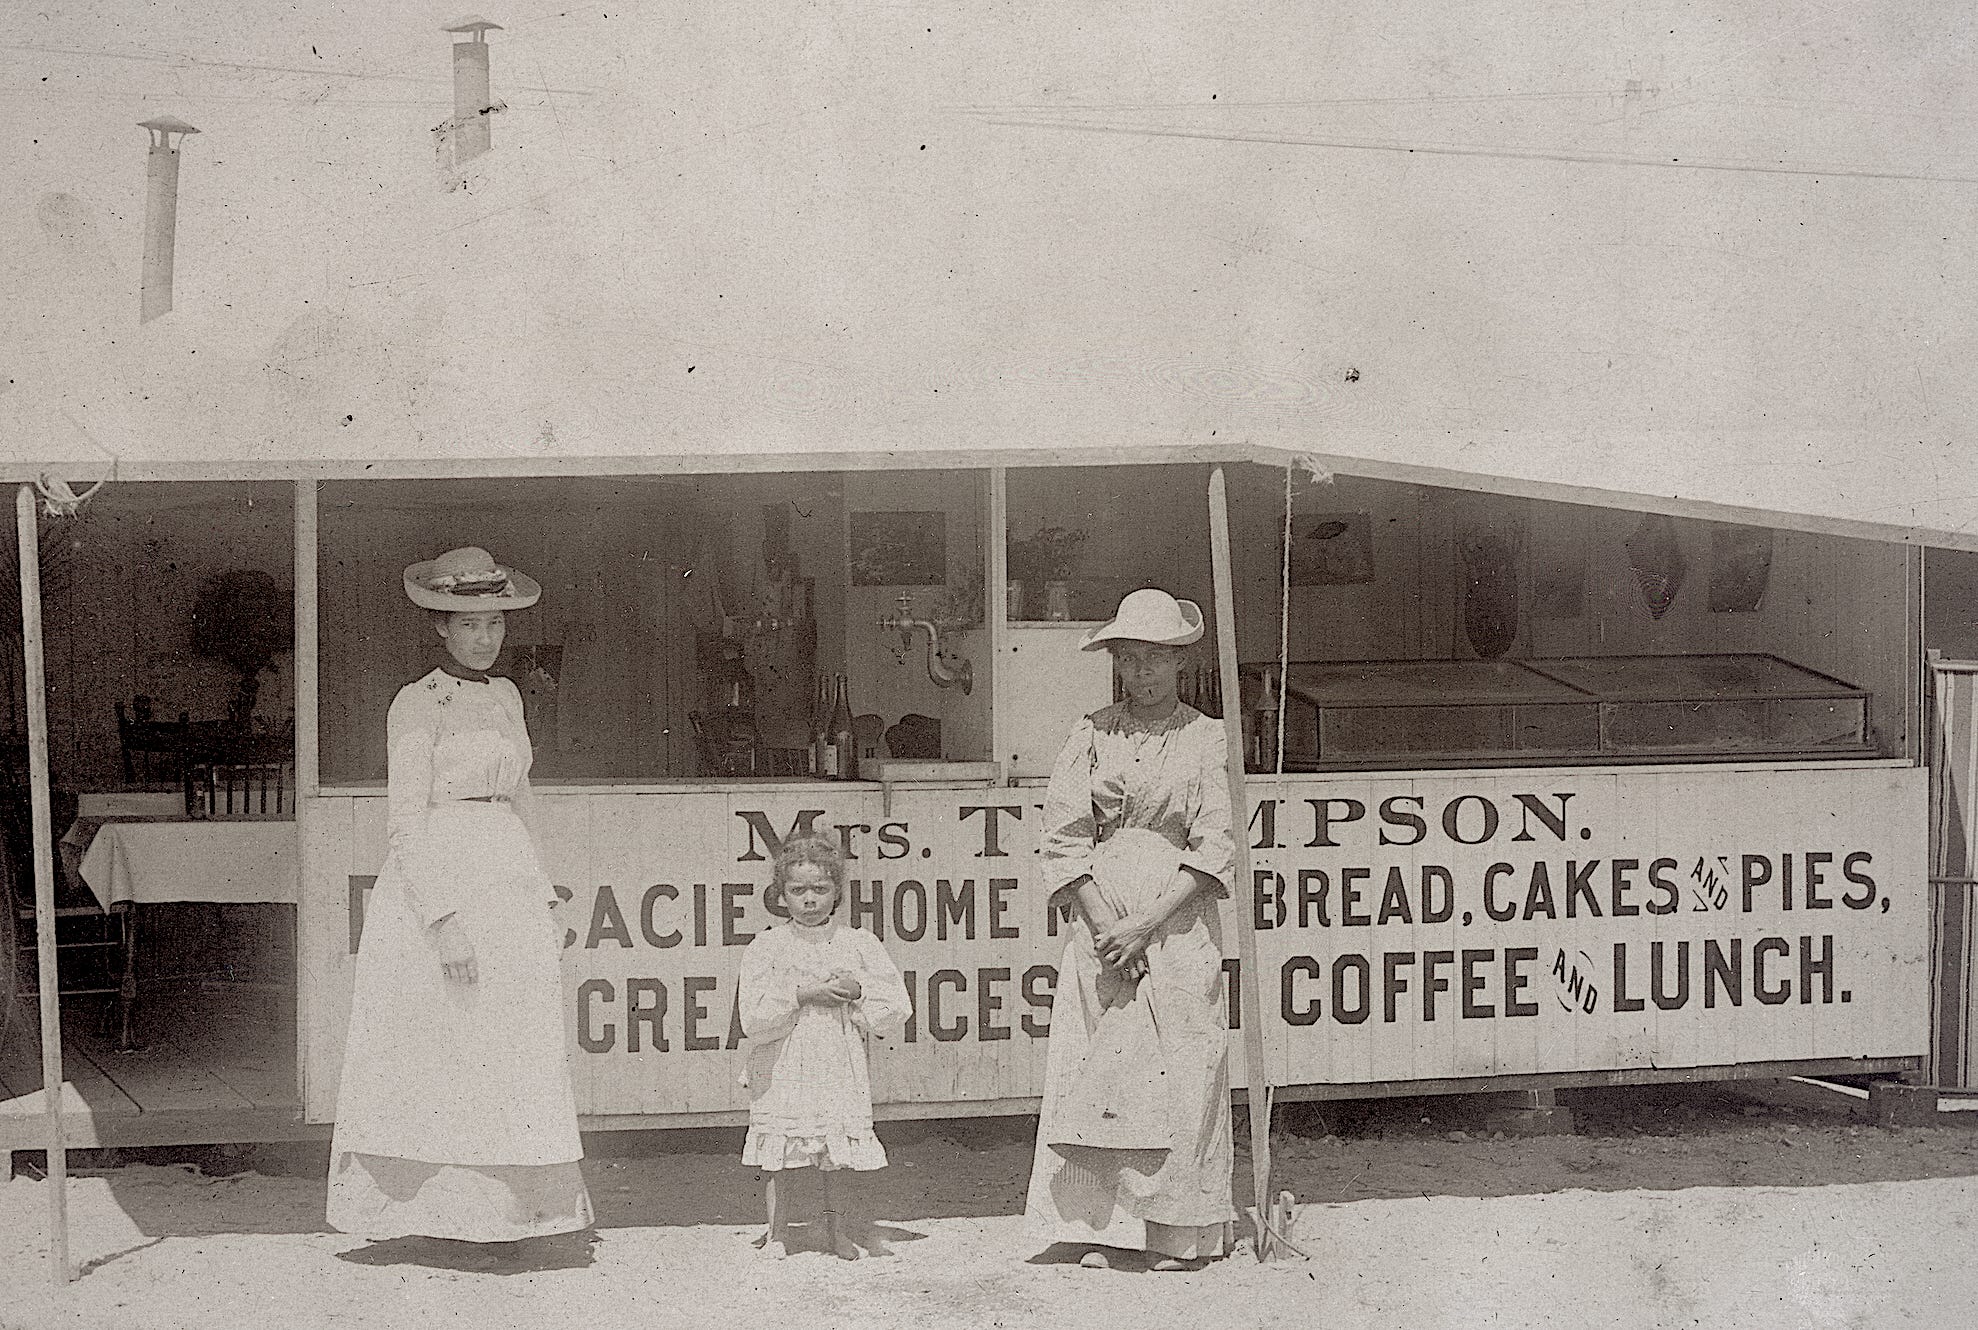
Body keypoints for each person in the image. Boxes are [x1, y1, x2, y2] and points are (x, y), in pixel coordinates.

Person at [327, 547, 593, 1264]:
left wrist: (545, 895)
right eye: (470, 625)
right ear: (441, 628)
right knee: (445, 1050)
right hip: (443, 877)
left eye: (496, 623)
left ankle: (510, 1216)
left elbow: (523, 801)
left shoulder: (507, 697)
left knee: (508, 1048)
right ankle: (442, 1219)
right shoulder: (418, 703)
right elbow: (408, 818)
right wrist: (442, 921)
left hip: (506, 876)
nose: (485, 637)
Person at [1023, 587, 1237, 1272]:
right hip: (1100, 920)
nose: (1141, 673)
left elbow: (1214, 844)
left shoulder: (1205, 736)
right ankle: (1096, 1227)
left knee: (1182, 1064)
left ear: (1178, 662)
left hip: (1174, 922)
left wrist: (1146, 924)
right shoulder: (1091, 732)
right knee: (1100, 1065)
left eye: (1154, 660)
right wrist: (1105, 922)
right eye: (1128, 660)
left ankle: (1180, 1230)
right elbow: (1063, 834)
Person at [738, 832, 910, 1260]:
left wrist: (858, 991)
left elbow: (896, 1006)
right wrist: (800, 995)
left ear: (837, 892)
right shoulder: (768, 946)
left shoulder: (857, 943)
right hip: (783, 1061)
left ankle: (837, 1231)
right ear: (781, 895)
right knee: (780, 1149)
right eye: (798, 890)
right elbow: (752, 1016)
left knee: (835, 1153)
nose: (809, 900)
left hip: (836, 1059)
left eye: (820, 889)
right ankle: (778, 1232)